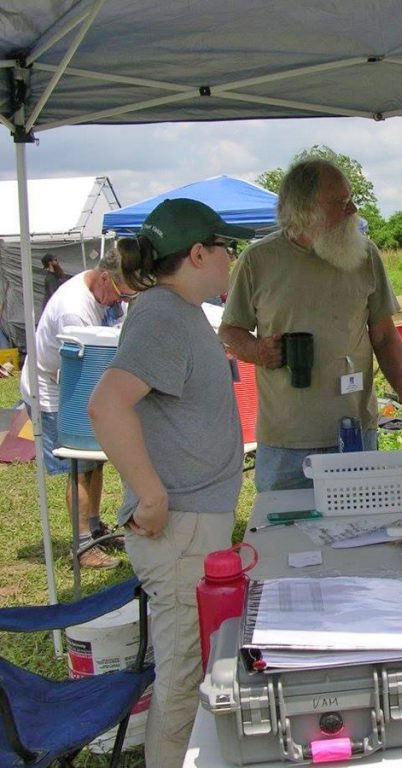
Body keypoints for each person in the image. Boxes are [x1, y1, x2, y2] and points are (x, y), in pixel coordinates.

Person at [88, 198, 253, 768]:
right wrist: (151, 495)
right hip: (179, 527)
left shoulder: (175, 312)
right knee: (184, 680)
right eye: (226, 247)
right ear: (199, 253)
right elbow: (107, 405)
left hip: (192, 526)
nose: (233, 258)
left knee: (191, 668)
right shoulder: (163, 314)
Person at [218, 159, 402, 491]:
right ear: (304, 210)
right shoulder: (257, 261)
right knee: (284, 538)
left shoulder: (364, 255)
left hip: (355, 434)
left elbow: (384, 332)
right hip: (286, 442)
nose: (353, 209)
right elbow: (230, 332)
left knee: (358, 530)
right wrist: (258, 351)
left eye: (351, 199)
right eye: (340, 202)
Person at [20, 249, 134, 569]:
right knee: (80, 468)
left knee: (95, 463)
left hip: (74, 384)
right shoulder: (75, 311)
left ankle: (95, 530)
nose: (118, 301)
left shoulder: (101, 292)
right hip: (56, 391)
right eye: (118, 293)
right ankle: (83, 548)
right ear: (103, 278)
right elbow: (89, 371)